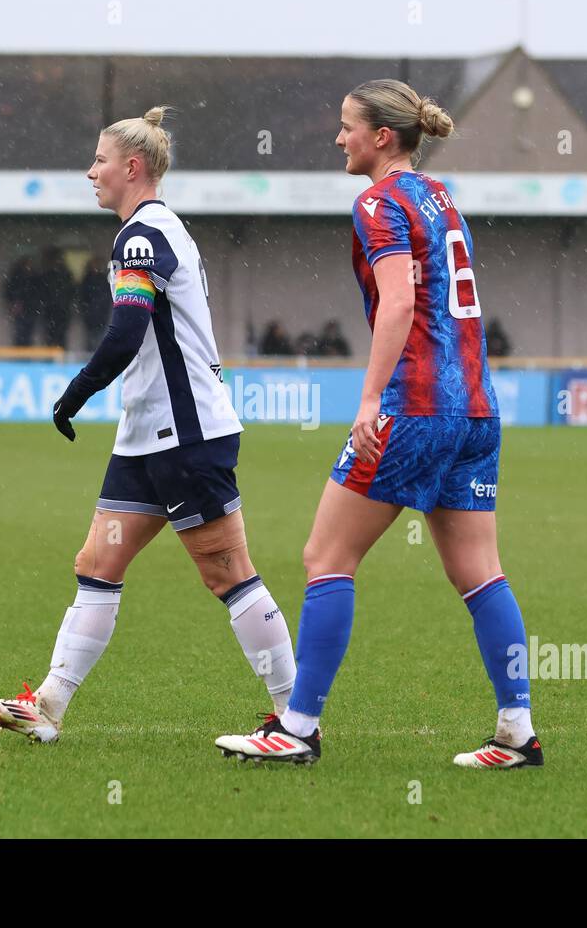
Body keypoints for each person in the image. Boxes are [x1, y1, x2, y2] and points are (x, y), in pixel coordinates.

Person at [215, 79, 543, 769]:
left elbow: (397, 305)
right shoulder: (441, 195)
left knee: (326, 559)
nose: (340, 139)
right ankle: (517, 729)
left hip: (416, 407)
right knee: (481, 572)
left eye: (348, 127)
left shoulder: (377, 202)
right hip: (477, 409)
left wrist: (369, 402)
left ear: (382, 137)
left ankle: (297, 727)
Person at [0, 107, 297, 744]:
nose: (91, 171)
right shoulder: (152, 230)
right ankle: (48, 707)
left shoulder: (141, 236)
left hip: (186, 433)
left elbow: (125, 333)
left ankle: (294, 717)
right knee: (98, 560)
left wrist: (74, 393)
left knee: (226, 571)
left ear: (132, 167)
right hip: (150, 435)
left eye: (99, 160)